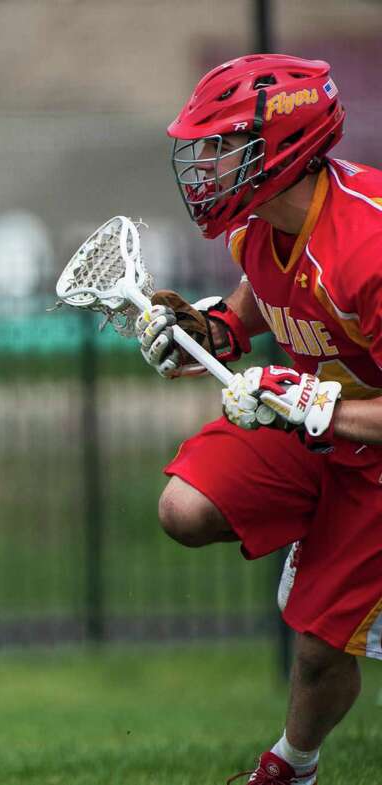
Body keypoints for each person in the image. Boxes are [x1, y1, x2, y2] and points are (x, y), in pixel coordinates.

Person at [136, 54, 382, 784]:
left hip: (369, 452)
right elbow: (266, 294)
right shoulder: (257, 225)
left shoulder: (369, 246)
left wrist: (313, 404)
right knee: (184, 508)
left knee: (319, 650)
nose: (207, 166)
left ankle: (290, 767)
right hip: (318, 430)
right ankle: (324, 535)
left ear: (283, 145)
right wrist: (214, 330)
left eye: (223, 145)